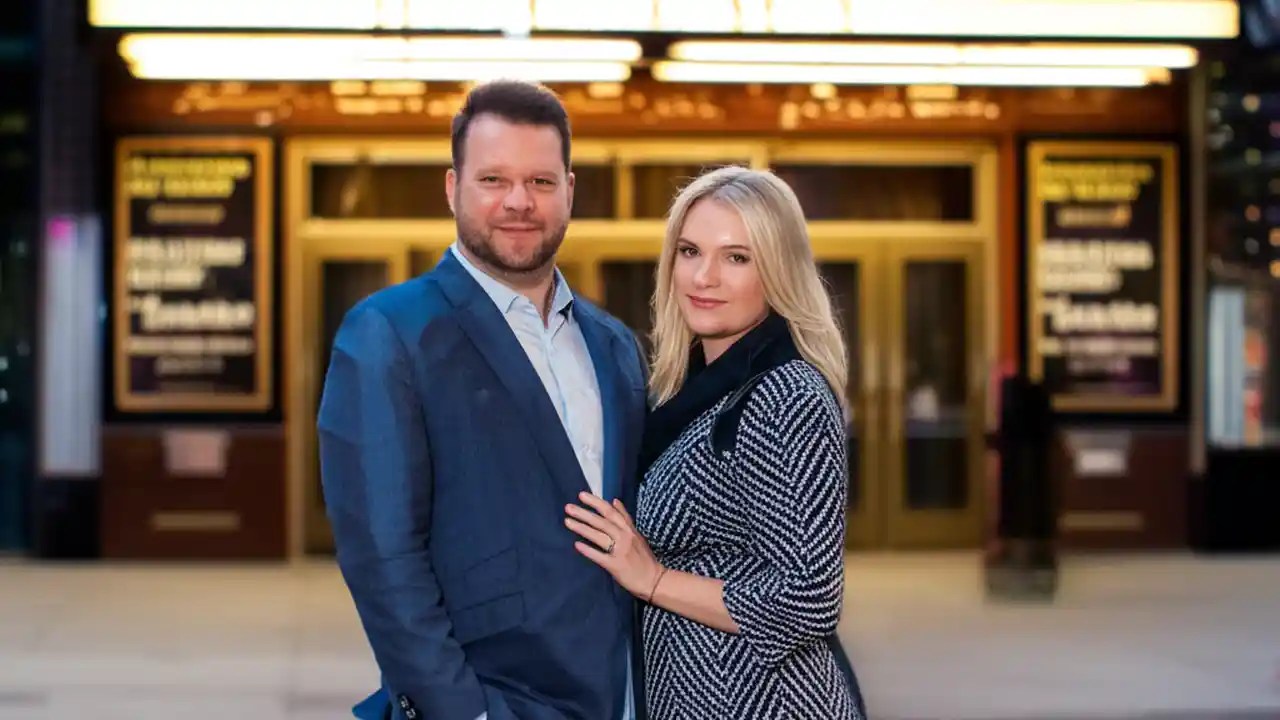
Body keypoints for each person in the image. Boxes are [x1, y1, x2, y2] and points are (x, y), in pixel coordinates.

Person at [318, 79, 648, 720]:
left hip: (625, 697)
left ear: (570, 191)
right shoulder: (389, 334)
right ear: (452, 188)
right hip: (491, 700)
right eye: (493, 180)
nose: (519, 202)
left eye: (542, 182)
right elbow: (383, 558)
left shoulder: (614, 346)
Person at [564, 166, 865, 719]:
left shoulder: (786, 392)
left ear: (777, 270)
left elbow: (809, 598)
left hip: (765, 703)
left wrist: (652, 578)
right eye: (689, 251)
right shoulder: (689, 388)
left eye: (736, 257)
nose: (704, 277)